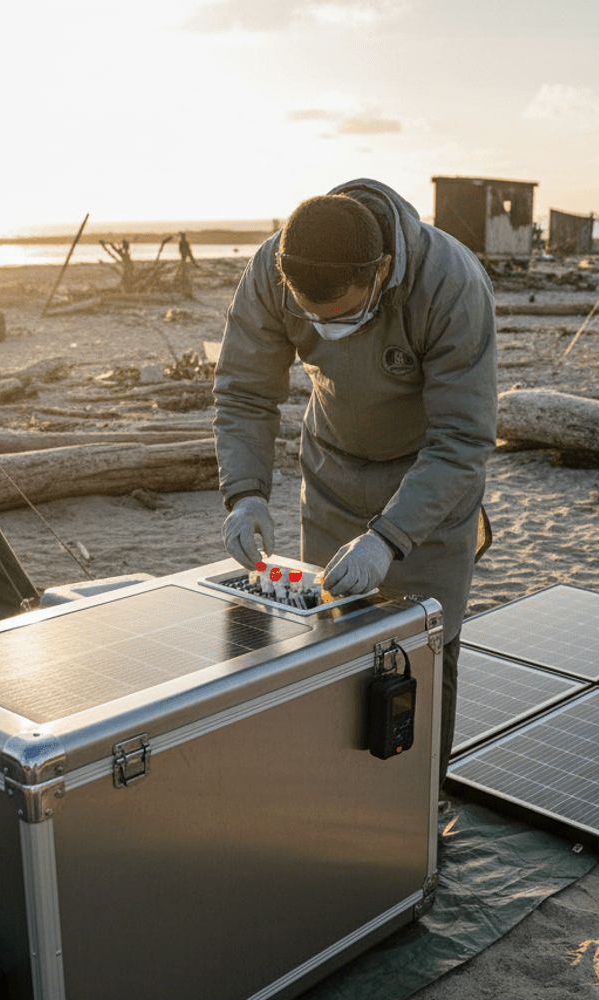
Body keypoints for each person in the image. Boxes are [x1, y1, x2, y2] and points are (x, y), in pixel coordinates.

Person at [212, 178, 497, 779]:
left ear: (384, 269)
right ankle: (344, 796)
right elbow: (244, 391)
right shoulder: (272, 267)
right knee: (335, 636)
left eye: (340, 315)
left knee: (424, 641)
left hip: (429, 481)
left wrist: (390, 538)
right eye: (310, 316)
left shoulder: (451, 284)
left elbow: (463, 439)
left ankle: (424, 804)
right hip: (333, 468)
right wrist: (245, 494)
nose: (324, 327)